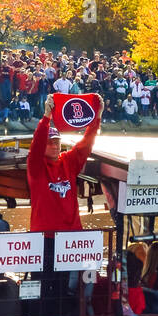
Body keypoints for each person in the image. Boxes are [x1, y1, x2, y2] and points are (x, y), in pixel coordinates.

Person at [26, 93, 103, 233]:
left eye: (57, 142)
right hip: (44, 236)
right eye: (50, 143)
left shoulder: (68, 161)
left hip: (71, 235)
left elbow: (86, 144)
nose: (55, 146)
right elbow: (37, 144)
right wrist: (47, 116)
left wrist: (97, 115)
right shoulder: (36, 166)